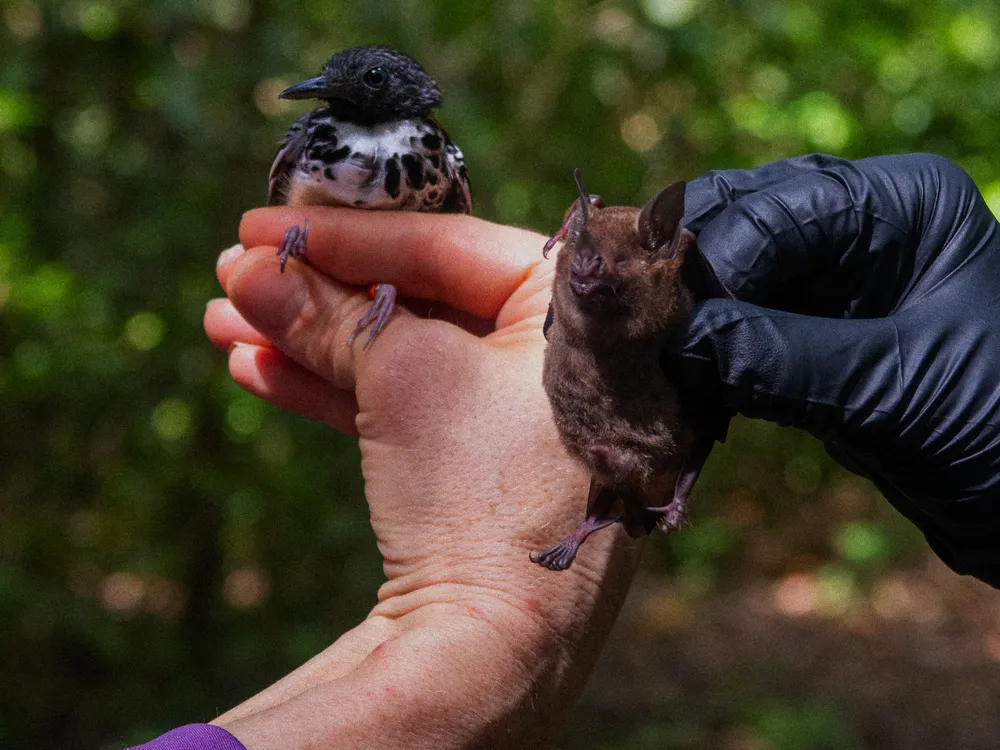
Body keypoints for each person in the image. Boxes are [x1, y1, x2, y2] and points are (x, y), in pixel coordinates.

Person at [133, 153, 1000, 749]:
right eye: (580, 258)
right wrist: (476, 618)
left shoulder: (664, 299)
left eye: (604, 269)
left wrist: (465, 614)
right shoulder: (575, 279)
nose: (587, 275)